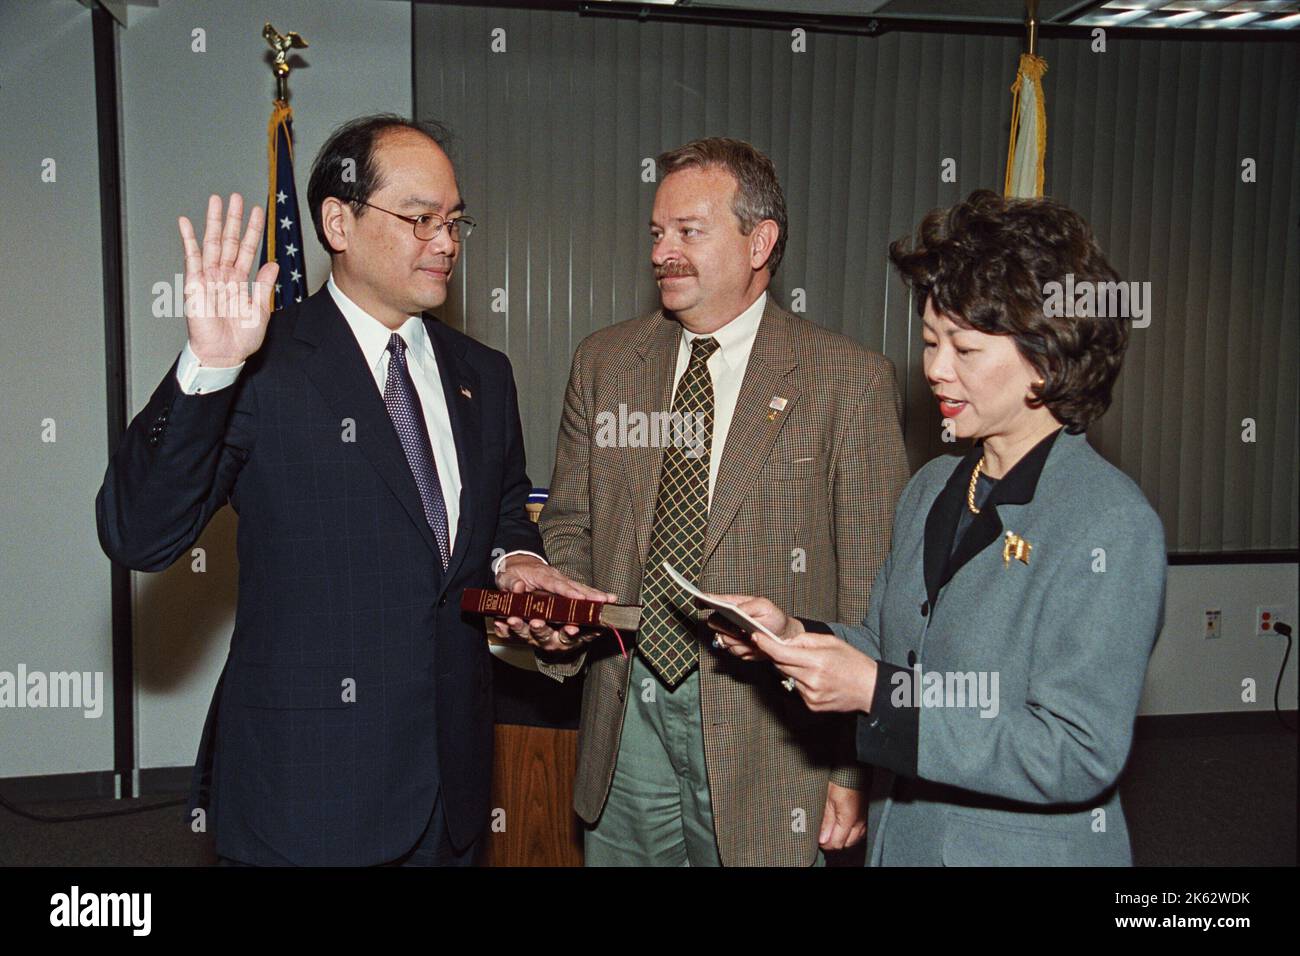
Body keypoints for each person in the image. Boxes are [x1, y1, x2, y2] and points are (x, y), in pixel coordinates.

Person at [96, 115, 608, 866]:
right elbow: (140, 534)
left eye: (455, 221)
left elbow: (501, 516)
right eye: (420, 218)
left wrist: (516, 564)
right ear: (338, 220)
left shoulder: (483, 375)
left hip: (453, 793)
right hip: (311, 795)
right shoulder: (263, 365)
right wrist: (206, 369)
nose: (446, 242)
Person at [709, 189, 1167, 866]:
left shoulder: (1111, 524)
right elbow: (893, 645)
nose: (935, 369)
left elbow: (1073, 752)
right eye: (929, 341)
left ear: (1049, 357)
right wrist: (796, 634)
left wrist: (877, 694)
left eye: (965, 348)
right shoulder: (930, 488)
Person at [498, 137, 909, 866]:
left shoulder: (848, 379)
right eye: (657, 234)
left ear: (761, 241)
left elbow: (869, 590)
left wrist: (853, 767)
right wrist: (566, 612)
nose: (664, 252)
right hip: (625, 718)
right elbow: (569, 525)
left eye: (689, 232)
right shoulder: (605, 364)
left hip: (773, 739)